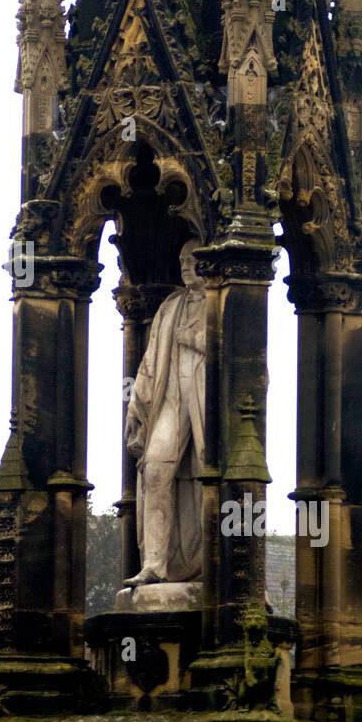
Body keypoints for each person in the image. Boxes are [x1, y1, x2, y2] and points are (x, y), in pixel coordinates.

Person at [122, 238, 206, 586]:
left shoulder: (225, 301)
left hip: (203, 394)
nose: (185, 265)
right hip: (169, 395)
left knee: (210, 475)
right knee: (155, 469)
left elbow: (245, 360)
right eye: (182, 259)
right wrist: (136, 406)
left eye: (192, 259)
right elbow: (149, 362)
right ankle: (154, 565)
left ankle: (218, 567)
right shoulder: (170, 307)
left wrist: (195, 340)